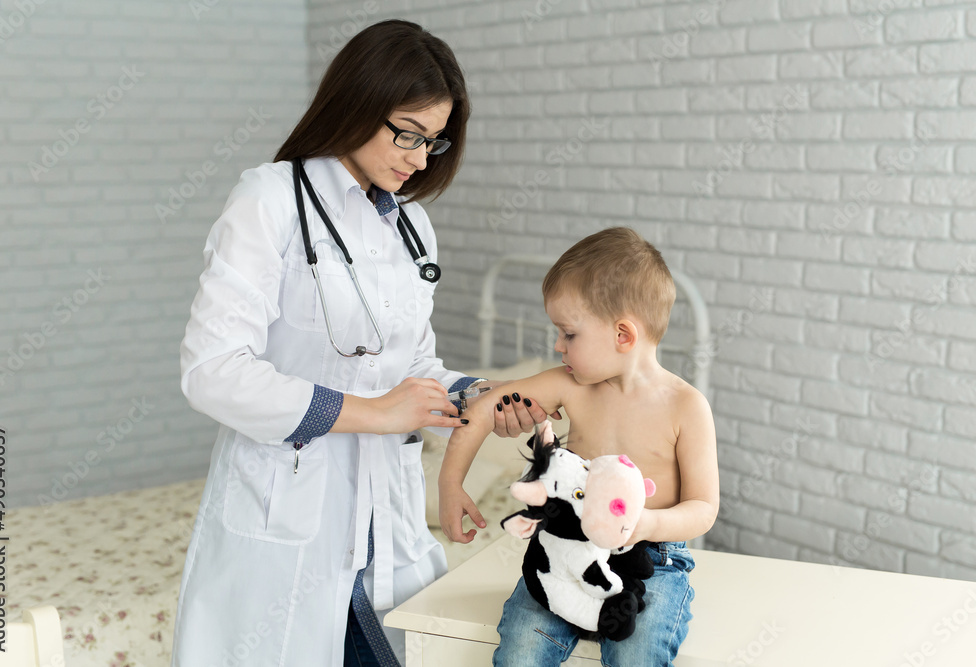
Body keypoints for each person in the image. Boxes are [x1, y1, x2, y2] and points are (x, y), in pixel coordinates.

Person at [170, 19, 551, 667]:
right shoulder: (270, 200)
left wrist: (480, 395)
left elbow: (413, 366)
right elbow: (213, 370)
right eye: (408, 133)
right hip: (287, 522)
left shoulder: (412, 226)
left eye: (433, 141)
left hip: (386, 520)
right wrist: (374, 412)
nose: (420, 158)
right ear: (358, 102)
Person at [439, 226, 719, 666]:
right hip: (566, 551)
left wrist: (645, 524)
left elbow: (703, 508)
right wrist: (450, 484)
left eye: (568, 334)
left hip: (652, 558)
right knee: (522, 648)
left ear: (623, 335)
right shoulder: (571, 386)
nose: (557, 346)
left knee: (637, 652)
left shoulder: (686, 406)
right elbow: (485, 406)